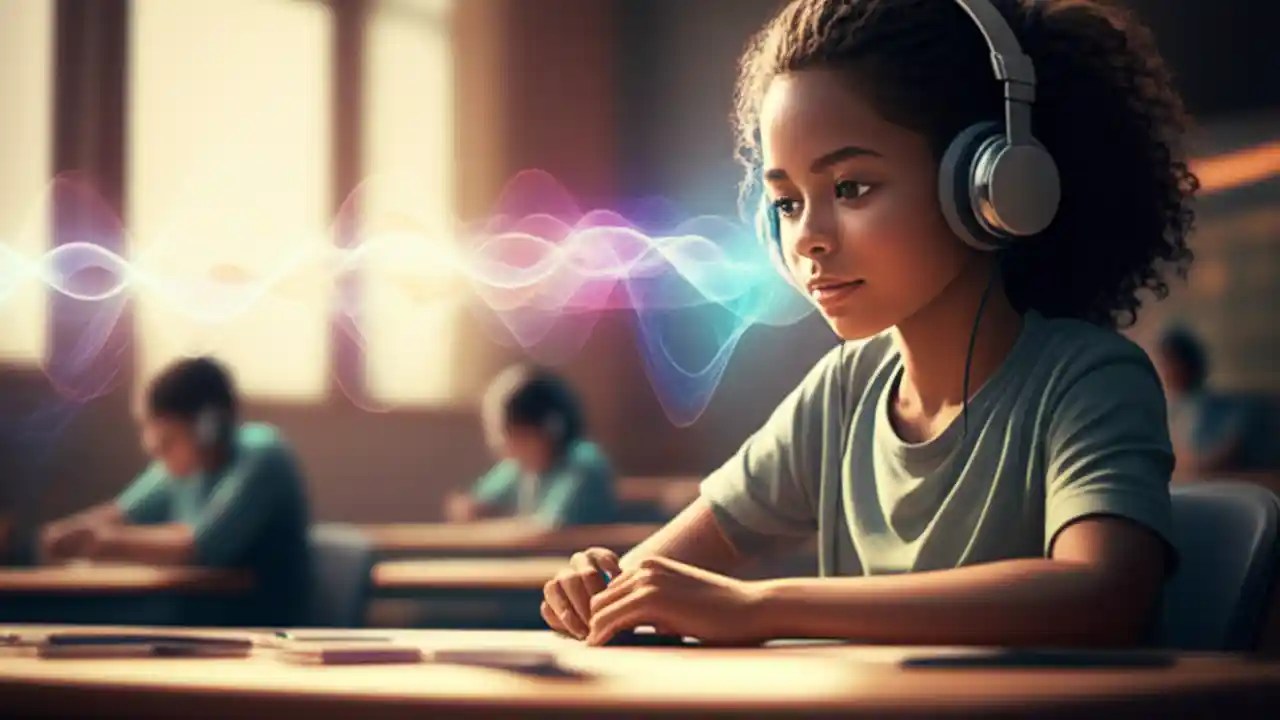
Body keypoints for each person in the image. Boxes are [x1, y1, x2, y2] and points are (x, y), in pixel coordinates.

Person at [542, 0, 1196, 647]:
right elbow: (661, 574)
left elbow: (1104, 593)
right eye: (788, 203)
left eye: (851, 188)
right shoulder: (841, 392)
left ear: (989, 188)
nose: (808, 239)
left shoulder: (1087, 379)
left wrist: (766, 607)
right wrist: (604, 586)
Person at [40, 357, 311, 625]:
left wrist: (103, 543)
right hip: (203, 618)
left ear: (209, 428)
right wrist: (68, 533)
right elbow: (120, 513)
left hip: (261, 627)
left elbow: (195, 549)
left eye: (168, 441)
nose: (153, 447)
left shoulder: (262, 454)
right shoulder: (183, 467)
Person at [444, 364, 617, 529]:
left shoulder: (583, 464)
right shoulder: (519, 467)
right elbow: (473, 504)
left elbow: (549, 530)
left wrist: (492, 527)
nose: (503, 445)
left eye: (515, 435)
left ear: (549, 428)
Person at [1154, 326, 1270, 480]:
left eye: (1172, 362)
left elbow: (1220, 457)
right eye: (1163, 363)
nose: (1167, 370)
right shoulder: (1160, 411)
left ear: (1190, 363)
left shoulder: (1230, 410)